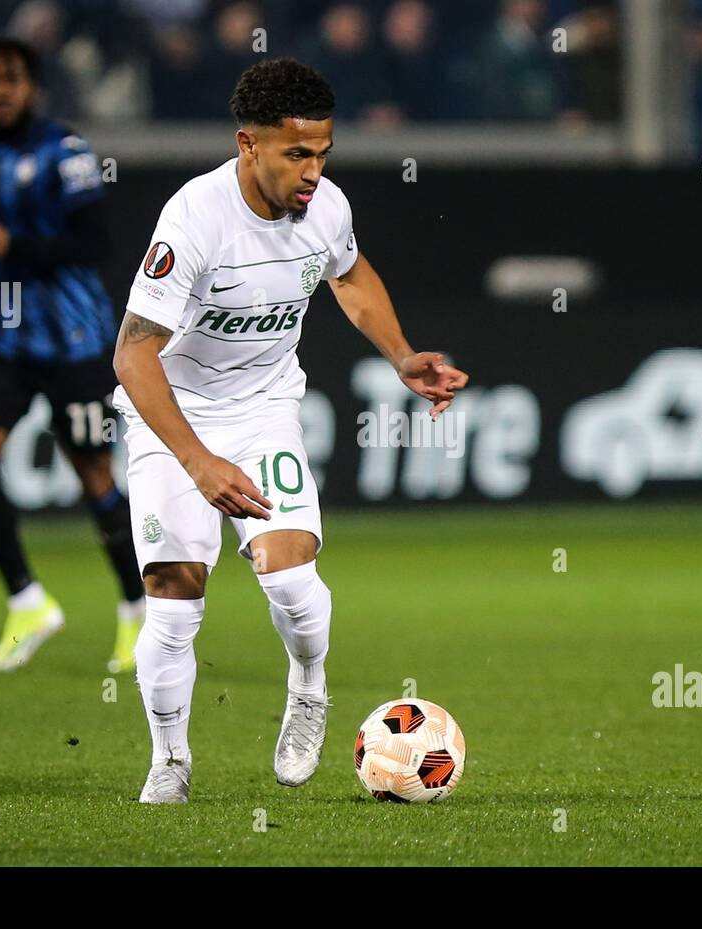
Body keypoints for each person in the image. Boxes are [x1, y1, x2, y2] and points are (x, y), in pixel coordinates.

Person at [112, 56, 469, 803]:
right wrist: (199, 461)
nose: (313, 171)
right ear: (249, 145)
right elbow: (133, 353)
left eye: (322, 153)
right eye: (296, 154)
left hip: (264, 409)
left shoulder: (326, 209)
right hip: (172, 418)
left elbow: (349, 274)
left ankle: (309, 688)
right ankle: (170, 761)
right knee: (175, 593)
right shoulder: (194, 219)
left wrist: (401, 355)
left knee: (291, 579)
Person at [0, 37, 145, 675]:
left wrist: (10, 244)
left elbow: (94, 242)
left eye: (11, 79)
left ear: (32, 87)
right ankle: (28, 601)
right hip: (5, 337)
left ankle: (138, 612)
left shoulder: (67, 151)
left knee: (94, 478)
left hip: (75, 341)